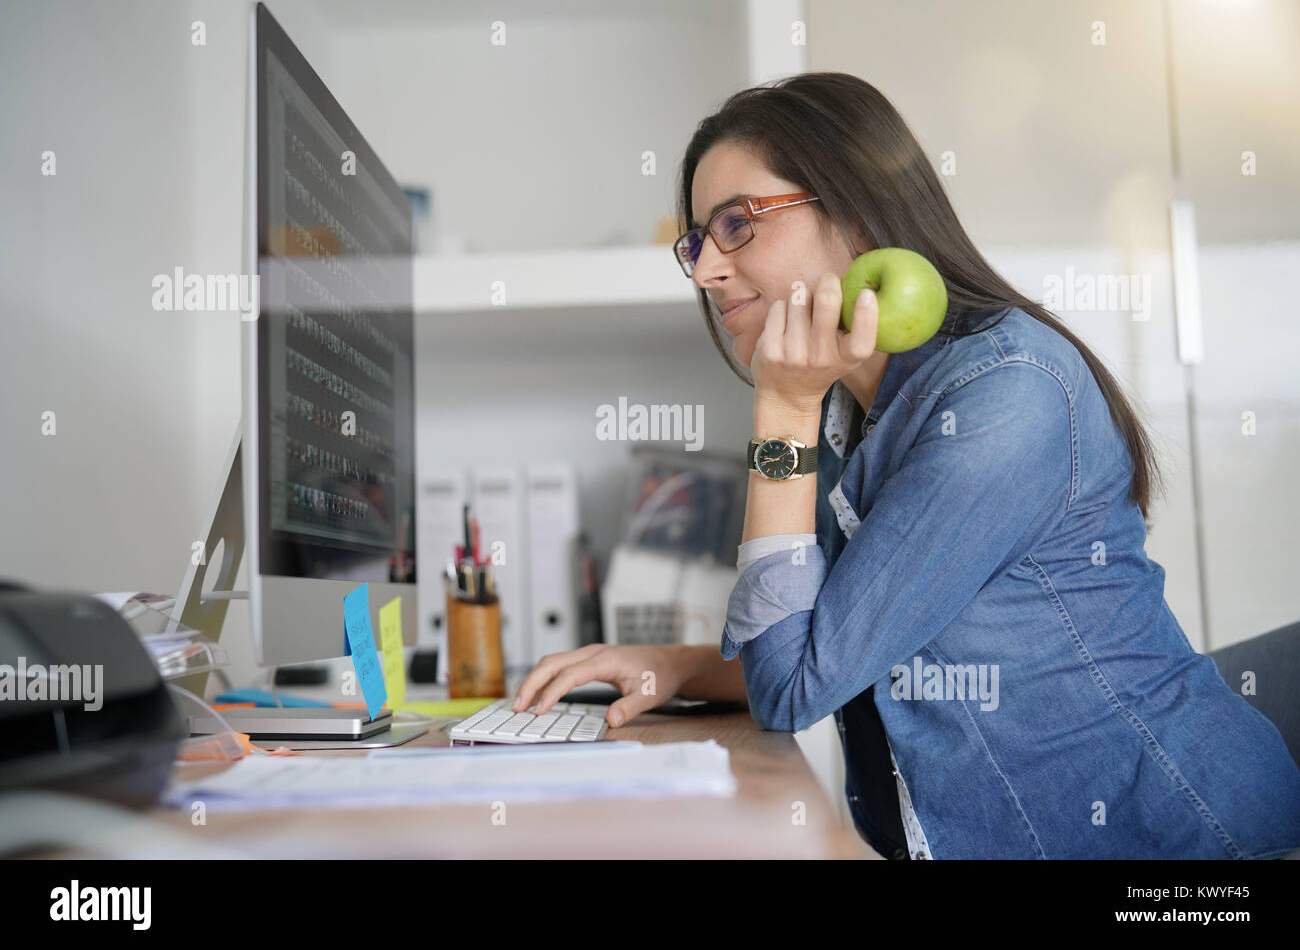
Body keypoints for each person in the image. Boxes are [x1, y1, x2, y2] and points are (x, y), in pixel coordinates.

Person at [511, 72, 1300, 859]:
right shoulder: (847, 411)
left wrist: (780, 413)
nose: (709, 270)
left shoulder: (1007, 396)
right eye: (697, 243)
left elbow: (796, 687)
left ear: (852, 207)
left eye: (738, 224)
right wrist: (673, 665)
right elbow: (819, 642)